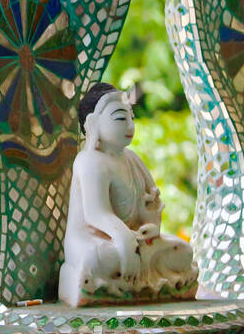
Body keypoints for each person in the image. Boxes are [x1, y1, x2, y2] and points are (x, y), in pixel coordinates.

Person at [58, 83, 197, 307]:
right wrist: (124, 241)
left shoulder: (132, 159)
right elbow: (96, 214)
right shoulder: (90, 161)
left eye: (131, 117)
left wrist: (151, 224)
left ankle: (133, 277)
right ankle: (123, 276)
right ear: (93, 124)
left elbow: (150, 206)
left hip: (133, 239)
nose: (130, 125)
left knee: (183, 252)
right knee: (98, 259)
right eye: (121, 118)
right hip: (94, 240)